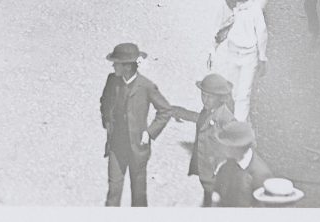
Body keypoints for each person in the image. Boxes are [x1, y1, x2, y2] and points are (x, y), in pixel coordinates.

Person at [98, 42, 175, 207]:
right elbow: (104, 101)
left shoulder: (146, 86)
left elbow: (166, 110)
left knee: (138, 196)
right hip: (116, 147)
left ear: (127, 66)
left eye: (116, 63)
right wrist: (107, 120)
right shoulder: (112, 80)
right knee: (113, 192)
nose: (113, 65)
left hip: (137, 149)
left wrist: (150, 133)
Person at [210, 0, 268, 121]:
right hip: (231, 53)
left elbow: (261, 33)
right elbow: (216, 29)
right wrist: (212, 51)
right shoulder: (225, 5)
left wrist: (262, 57)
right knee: (229, 89)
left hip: (249, 57)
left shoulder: (254, 9)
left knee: (243, 94)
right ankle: (223, 118)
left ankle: (239, 126)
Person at [189, 72, 237, 206]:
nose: (205, 100)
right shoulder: (206, 111)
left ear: (220, 98)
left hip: (217, 175)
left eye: (210, 97)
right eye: (203, 95)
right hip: (206, 172)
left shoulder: (225, 119)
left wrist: (222, 166)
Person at [212, 119, 271, 206]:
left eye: (225, 145)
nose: (222, 148)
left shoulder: (260, 174)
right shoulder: (226, 165)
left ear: (237, 147)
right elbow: (217, 190)